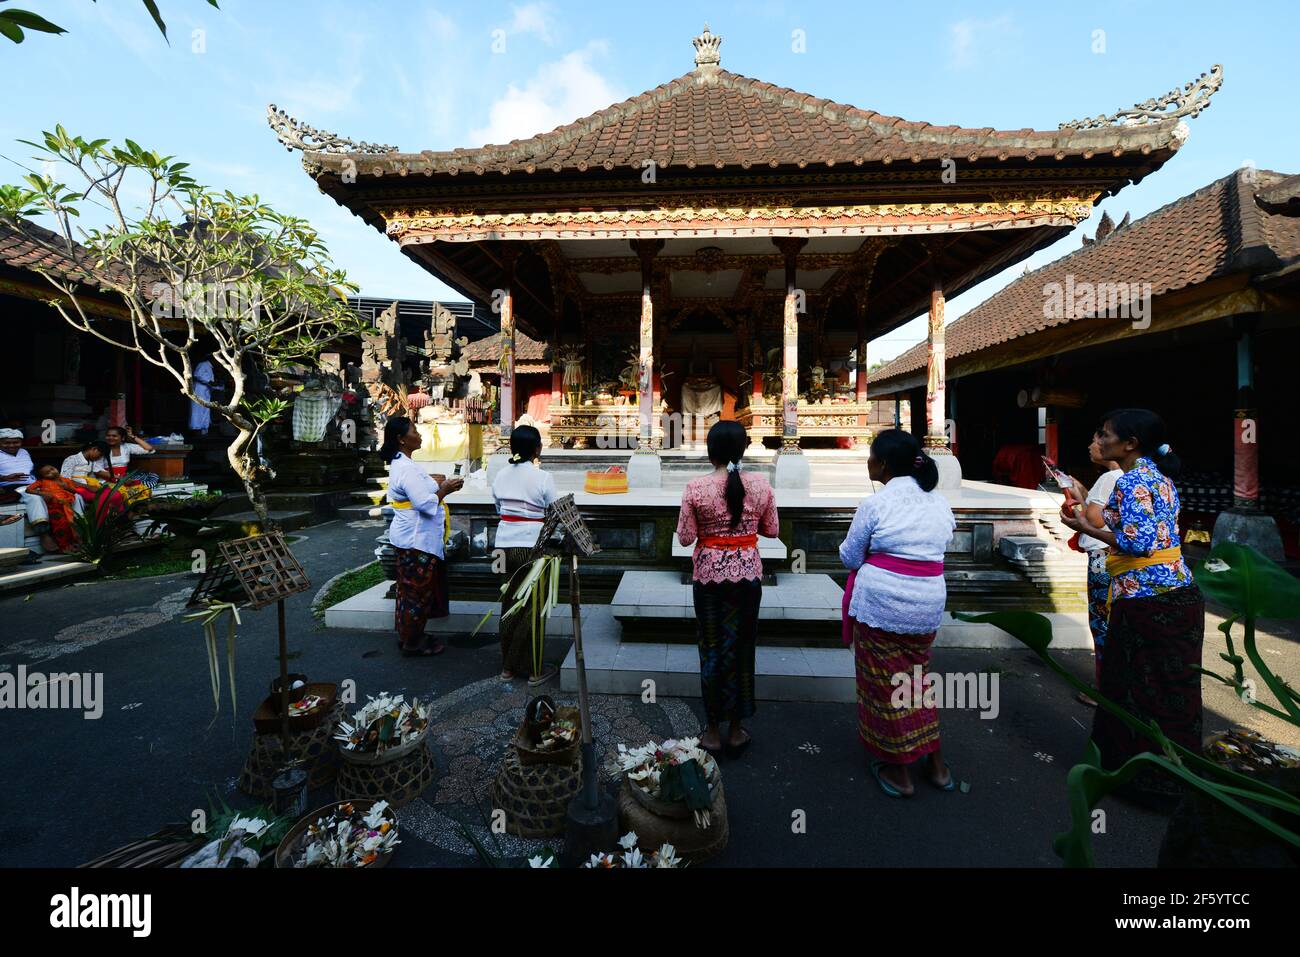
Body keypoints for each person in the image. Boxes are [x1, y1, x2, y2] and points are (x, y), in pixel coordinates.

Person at [1059, 409, 1203, 810]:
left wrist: (1084, 529)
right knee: (1173, 690)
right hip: (1176, 595)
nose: (1099, 440)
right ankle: (1176, 775)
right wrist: (1085, 503)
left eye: (1104, 435)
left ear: (1130, 444)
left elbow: (1136, 544)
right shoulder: (1158, 478)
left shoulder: (1134, 480)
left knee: (1138, 689)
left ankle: (1144, 780)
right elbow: (1126, 523)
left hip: (1148, 600)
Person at [839, 429, 956, 798]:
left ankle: (900, 771)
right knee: (916, 681)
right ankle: (936, 766)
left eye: (872, 456)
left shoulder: (876, 504)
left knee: (884, 686)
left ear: (884, 464)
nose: (868, 462)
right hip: (927, 603)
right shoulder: (938, 502)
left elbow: (850, 556)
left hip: (883, 605)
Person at [675, 420, 779, 758]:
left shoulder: (695, 488)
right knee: (743, 650)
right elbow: (773, 530)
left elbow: (686, 537)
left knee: (712, 650)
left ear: (709, 451)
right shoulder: (761, 485)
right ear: (744, 449)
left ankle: (712, 730)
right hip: (748, 577)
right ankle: (736, 729)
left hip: (708, 579)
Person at [381, 416, 462, 657]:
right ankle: (413, 642)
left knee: (409, 592)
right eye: (415, 430)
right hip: (416, 541)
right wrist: (445, 489)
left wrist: (432, 481)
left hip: (411, 538)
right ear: (402, 439)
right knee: (417, 593)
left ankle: (408, 635)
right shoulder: (405, 468)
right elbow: (425, 504)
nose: (420, 434)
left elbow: (417, 489)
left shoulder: (403, 463)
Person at [491, 425, 559, 681]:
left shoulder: (500, 475)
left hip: (503, 545)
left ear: (511, 448)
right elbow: (554, 511)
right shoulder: (542, 477)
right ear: (538, 449)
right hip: (532, 546)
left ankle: (507, 667)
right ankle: (532, 669)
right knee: (532, 607)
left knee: (509, 605)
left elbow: (498, 507)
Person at [1060, 438, 1123, 707]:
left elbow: (1093, 520)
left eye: (1101, 437)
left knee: (1101, 619)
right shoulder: (1128, 476)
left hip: (1102, 555)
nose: (1092, 444)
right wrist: (1084, 494)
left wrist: (1077, 511)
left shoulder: (1111, 477)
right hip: (1115, 557)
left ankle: (1105, 688)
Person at [1, 427, 65, 553]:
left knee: (65, 495)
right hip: (11, 488)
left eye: (16, 442)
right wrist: (5, 477)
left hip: (33, 484)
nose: (12, 445)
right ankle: (43, 534)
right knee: (34, 497)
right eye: (6, 442)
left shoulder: (24, 452)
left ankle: (69, 535)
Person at [26, 466, 83, 553]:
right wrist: (42, 493)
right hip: (54, 509)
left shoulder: (65, 480)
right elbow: (28, 489)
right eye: (47, 473)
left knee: (71, 524)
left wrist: (66, 487)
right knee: (60, 526)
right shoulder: (42, 482)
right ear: (43, 476)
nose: (51, 472)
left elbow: (74, 491)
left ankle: (74, 544)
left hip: (67, 507)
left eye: (52, 469)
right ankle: (64, 547)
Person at [188, 357, 222, 435]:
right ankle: (196, 429)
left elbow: (211, 383)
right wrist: (210, 381)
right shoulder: (203, 364)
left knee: (205, 409)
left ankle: (204, 430)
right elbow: (197, 374)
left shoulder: (210, 367)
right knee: (198, 410)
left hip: (206, 391)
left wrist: (219, 387)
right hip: (199, 390)